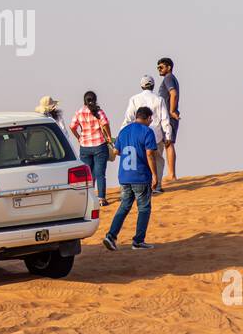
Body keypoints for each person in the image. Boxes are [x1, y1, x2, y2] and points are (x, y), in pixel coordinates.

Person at [102, 108, 159, 251]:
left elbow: (116, 151)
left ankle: (111, 236)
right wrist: (155, 175)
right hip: (140, 176)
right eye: (150, 119)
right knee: (144, 208)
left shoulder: (124, 131)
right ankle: (138, 241)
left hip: (124, 176)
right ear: (147, 118)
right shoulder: (147, 132)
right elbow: (150, 154)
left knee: (124, 206)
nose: (151, 121)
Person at [121, 76, 173, 194]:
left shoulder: (134, 99)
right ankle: (157, 185)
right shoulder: (159, 99)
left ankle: (144, 186)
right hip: (156, 135)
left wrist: (122, 134)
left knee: (142, 159)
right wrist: (168, 135)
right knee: (157, 159)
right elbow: (165, 119)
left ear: (141, 86)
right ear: (153, 86)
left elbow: (128, 119)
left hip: (138, 135)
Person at [70, 91, 112, 207]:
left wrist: (79, 137)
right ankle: (101, 199)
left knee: (87, 174)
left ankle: (88, 198)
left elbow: (72, 126)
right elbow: (105, 123)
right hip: (99, 144)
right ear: (95, 99)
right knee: (100, 173)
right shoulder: (98, 111)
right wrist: (108, 136)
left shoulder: (79, 112)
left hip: (85, 146)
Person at [156, 58, 180, 184]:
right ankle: (171, 173)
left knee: (168, 143)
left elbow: (173, 94)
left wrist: (171, 111)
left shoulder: (168, 78)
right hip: (168, 116)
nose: (159, 69)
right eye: (158, 68)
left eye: (161, 67)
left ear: (169, 67)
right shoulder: (169, 78)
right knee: (168, 144)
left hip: (169, 116)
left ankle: (171, 174)